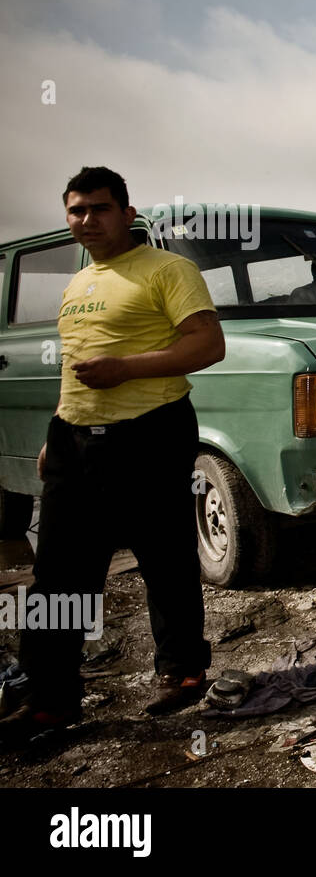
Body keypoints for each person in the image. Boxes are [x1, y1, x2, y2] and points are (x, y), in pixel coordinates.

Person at [0, 167, 225, 744]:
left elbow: (207, 344)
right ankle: (51, 699)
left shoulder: (169, 269)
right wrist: (59, 431)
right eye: (75, 210)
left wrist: (126, 369)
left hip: (148, 433)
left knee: (165, 556)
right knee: (58, 573)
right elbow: (80, 362)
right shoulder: (78, 284)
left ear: (127, 214)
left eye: (99, 209)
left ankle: (182, 670)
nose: (86, 220)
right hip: (75, 437)